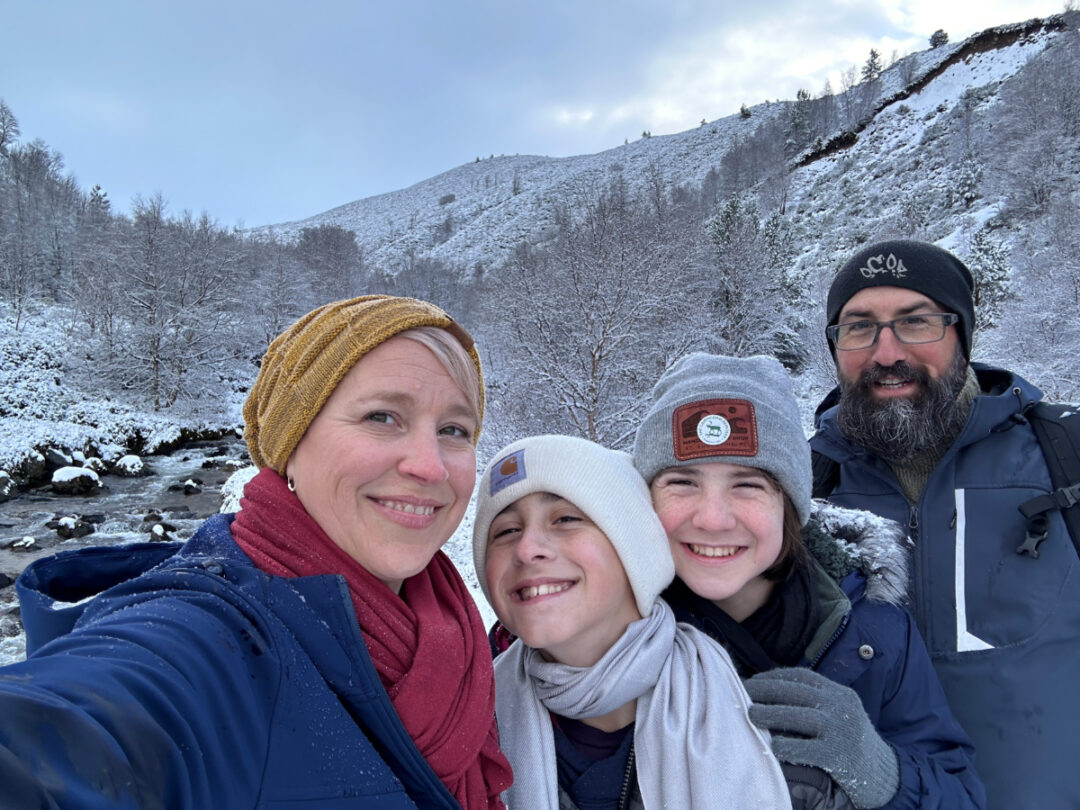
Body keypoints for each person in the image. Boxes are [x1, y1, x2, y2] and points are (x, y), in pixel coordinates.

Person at [1, 295, 513, 809]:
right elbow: (67, 735)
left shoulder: (461, 639)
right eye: (382, 416)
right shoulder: (206, 636)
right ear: (290, 445)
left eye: (454, 430)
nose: (431, 467)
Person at [632, 352, 985, 810]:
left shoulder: (874, 629)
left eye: (748, 485)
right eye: (682, 482)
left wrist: (881, 770)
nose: (713, 519)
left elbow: (962, 795)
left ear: (790, 505)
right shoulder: (607, 631)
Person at [809, 239, 1080, 810]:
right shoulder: (805, 489)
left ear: (962, 335)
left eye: (916, 322)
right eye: (859, 327)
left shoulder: (1067, 457)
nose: (886, 352)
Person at [472, 433, 799, 810]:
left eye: (565, 519)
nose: (527, 549)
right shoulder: (461, 730)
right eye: (506, 531)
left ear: (636, 548)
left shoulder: (761, 724)